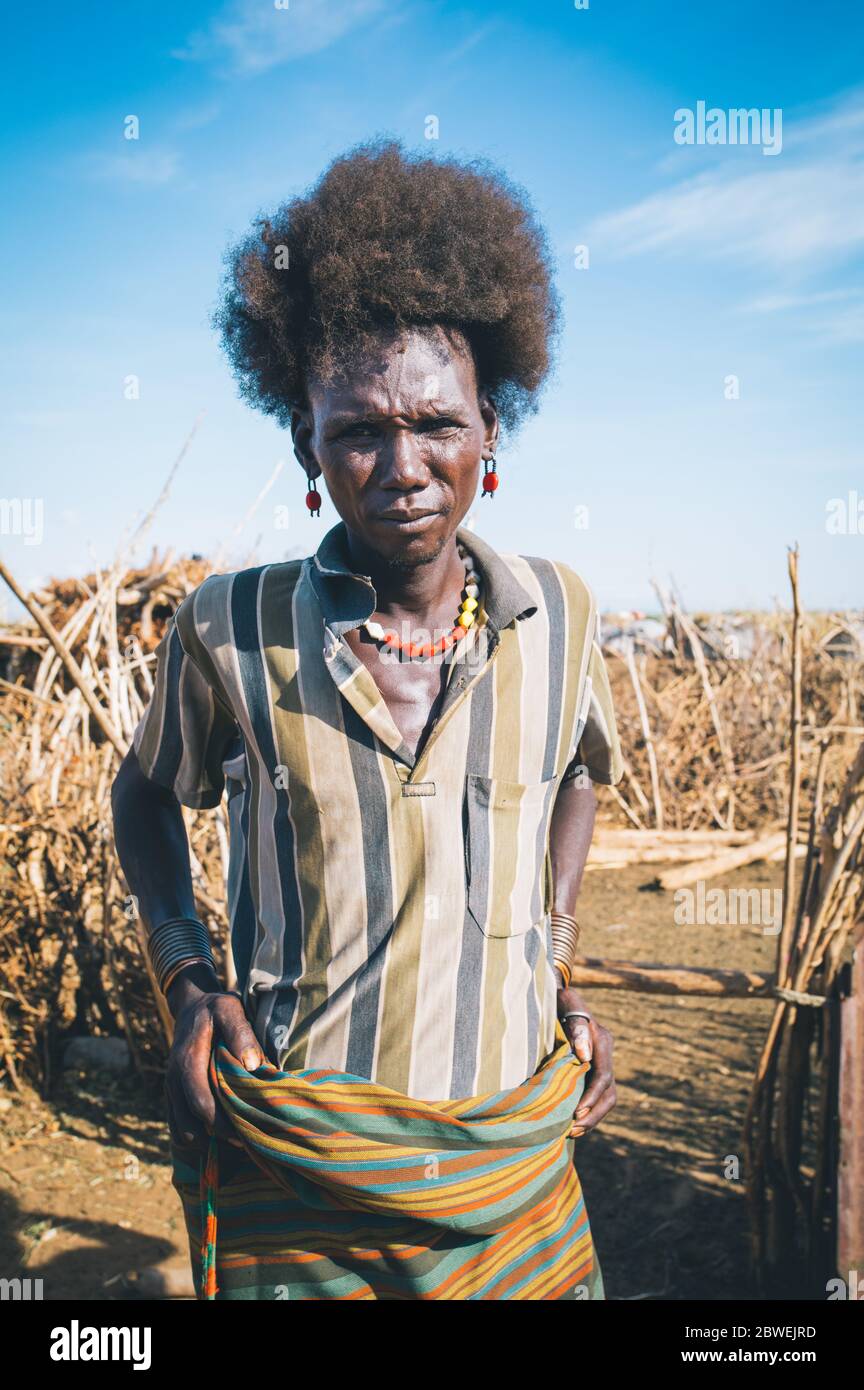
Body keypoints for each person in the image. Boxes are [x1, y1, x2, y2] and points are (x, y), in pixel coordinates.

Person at [111, 139, 624, 1301]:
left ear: (491, 432)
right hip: (300, 1163)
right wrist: (188, 977)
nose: (403, 464)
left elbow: (579, 773)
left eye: (437, 423)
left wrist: (549, 947)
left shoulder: (562, 616)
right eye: (358, 430)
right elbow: (145, 791)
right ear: (305, 443)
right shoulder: (229, 627)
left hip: (510, 1163)